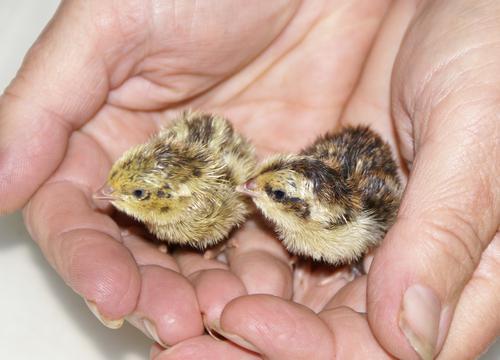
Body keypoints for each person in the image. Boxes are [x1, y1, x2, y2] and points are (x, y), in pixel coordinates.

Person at [1, 0, 498, 359]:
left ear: (307, 212)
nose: (250, 188)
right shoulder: (219, 191)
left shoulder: (351, 219)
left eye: (273, 191)